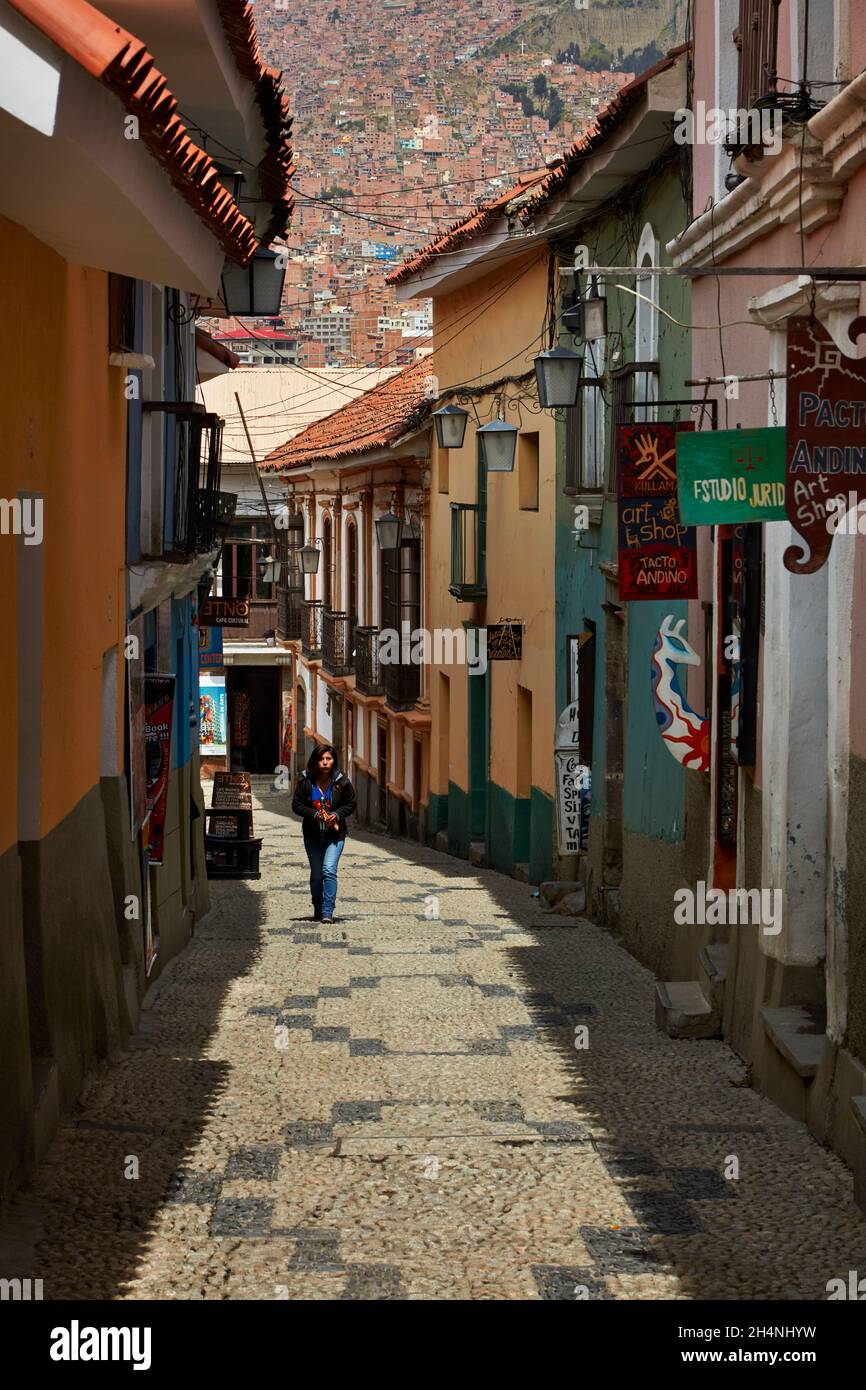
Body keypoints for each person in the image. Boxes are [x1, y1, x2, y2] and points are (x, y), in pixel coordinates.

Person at [292, 745, 356, 923]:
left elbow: (351, 804)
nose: (325, 762)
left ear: (334, 760)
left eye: (329, 759)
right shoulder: (306, 780)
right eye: (322, 759)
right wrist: (314, 815)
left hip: (335, 835)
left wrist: (336, 814)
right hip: (312, 835)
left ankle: (328, 910)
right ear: (315, 761)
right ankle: (318, 907)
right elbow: (296, 805)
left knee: (328, 870)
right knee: (317, 874)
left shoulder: (341, 782)